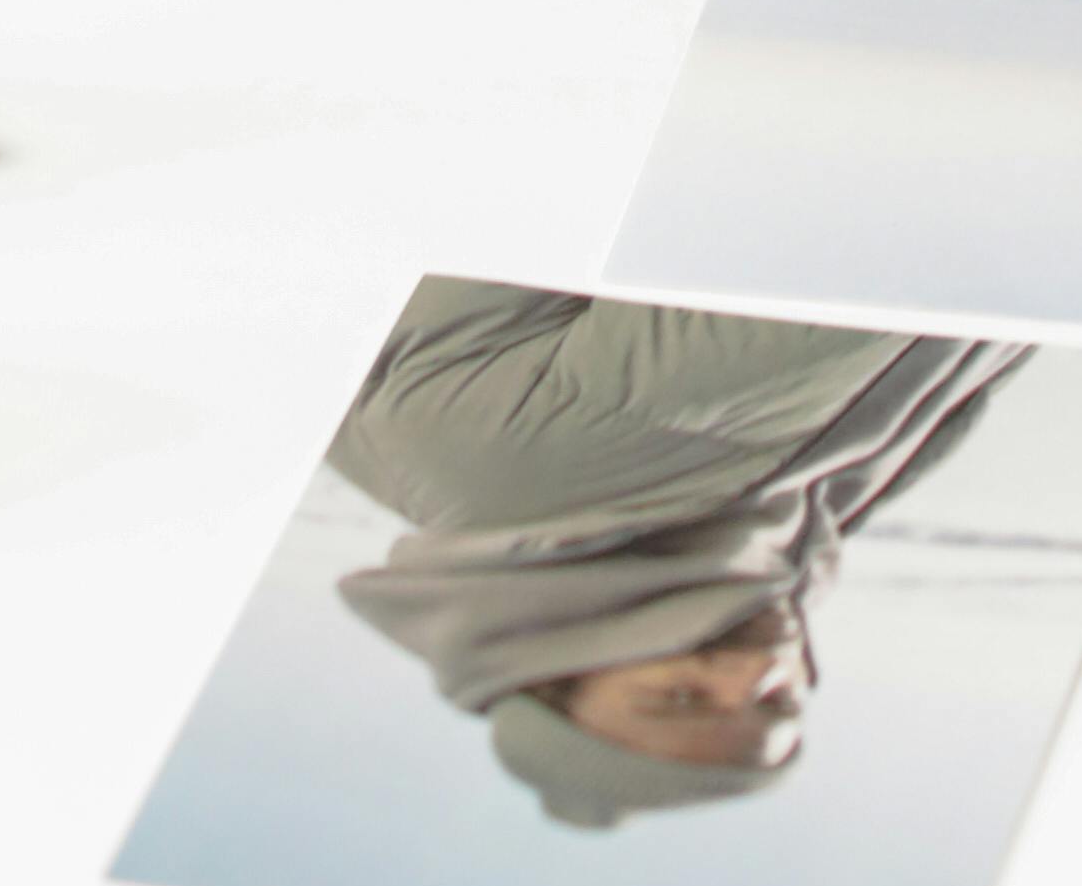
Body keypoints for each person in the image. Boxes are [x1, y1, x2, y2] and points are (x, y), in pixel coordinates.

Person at [328, 277, 1018, 829]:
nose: (753, 671)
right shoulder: (792, 517)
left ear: (548, 671)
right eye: (776, 703)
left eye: (681, 697)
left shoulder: (526, 465)